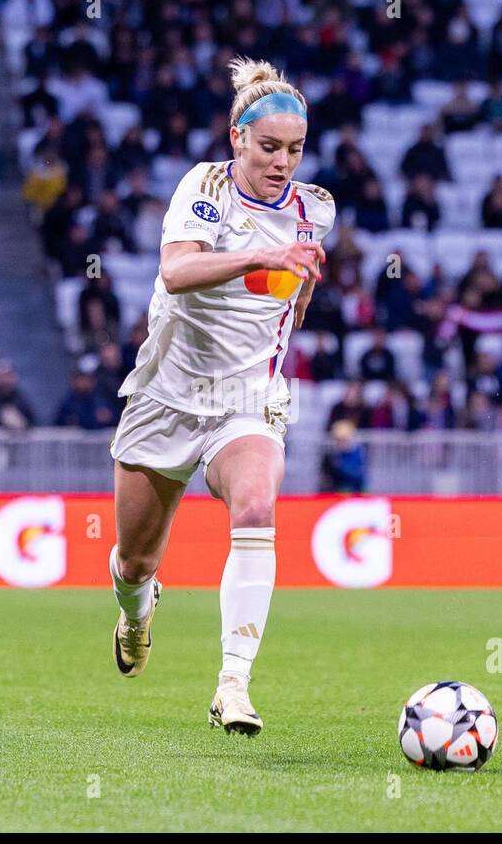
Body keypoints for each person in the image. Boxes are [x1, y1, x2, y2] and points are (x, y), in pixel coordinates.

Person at [107, 57, 336, 735]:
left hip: (246, 398)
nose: (282, 162)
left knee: (259, 503)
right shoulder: (204, 188)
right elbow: (177, 272)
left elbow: (299, 289)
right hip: (167, 397)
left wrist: (299, 288)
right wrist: (262, 258)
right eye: (269, 147)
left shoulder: (314, 210)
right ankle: (135, 609)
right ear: (237, 139)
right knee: (135, 561)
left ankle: (233, 684)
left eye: (294, 149)